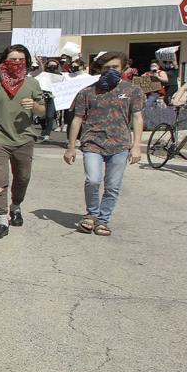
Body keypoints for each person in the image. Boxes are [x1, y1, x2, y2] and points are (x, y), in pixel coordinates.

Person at [65, 51, 144, 237]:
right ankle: (91, 214)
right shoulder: (87, 92)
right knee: (93, 180)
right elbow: (77, 119)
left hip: (120, 143)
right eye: (107, 68)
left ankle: (103, 220)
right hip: (93, 142)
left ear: (123, 68)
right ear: (100, 69)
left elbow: (137, 117)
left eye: (115, 67)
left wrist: (137, 144)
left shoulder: (132, 91)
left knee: (113, 185)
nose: (111, 71)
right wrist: (71, 147)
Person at [0, 44, 44, 240]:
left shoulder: (32, 85)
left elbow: (43, 111)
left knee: (23, 177)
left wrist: (35, 106)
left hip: (24, 138)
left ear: (27, 62)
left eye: (20, 60)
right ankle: (2, 219)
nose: (16, 63)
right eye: (12, 59)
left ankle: (16, 206)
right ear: (3, 61)